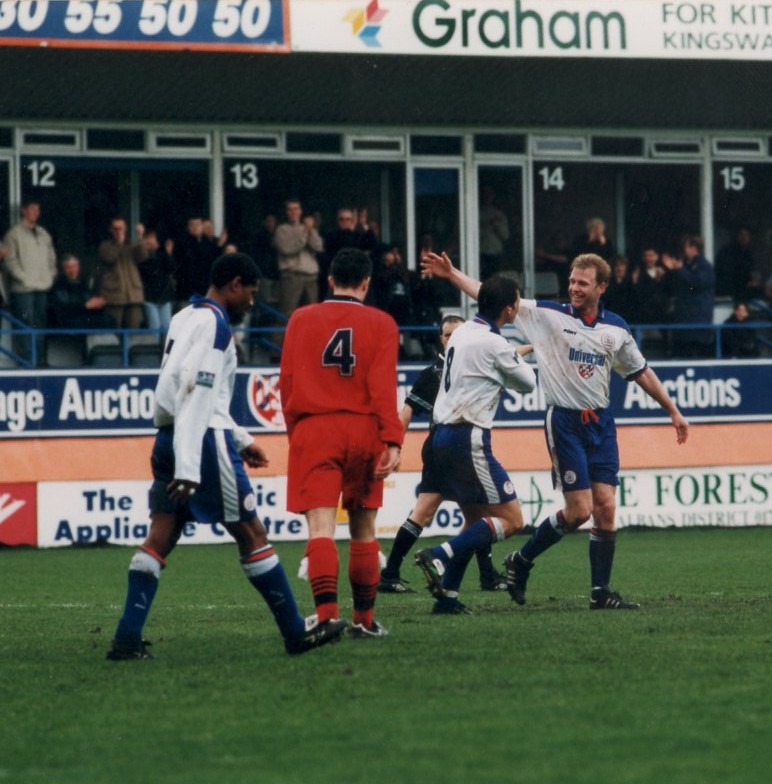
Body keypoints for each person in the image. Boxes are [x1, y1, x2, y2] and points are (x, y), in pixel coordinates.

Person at [106, 252, 346, 660]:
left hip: (169, 436)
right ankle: (295, 632)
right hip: (199, 441)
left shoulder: (185, 317)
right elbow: (196, 392)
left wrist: (239, 438)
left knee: (161, 534)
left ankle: (126, 638)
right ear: (234, 284)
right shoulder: (216, 325)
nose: (251, 302)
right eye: (250, 293)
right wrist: (190, 464)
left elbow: (186, 389)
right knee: (252, 533)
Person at [421, 251, 689, 611]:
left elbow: (640, 371)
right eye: (572, 281)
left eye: (583, 283)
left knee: (606, 508)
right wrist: (453, 274)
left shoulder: (617, 329)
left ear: (602, 287)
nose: (574, 288)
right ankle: (521, 559)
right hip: (564, 422)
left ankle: (600, 592)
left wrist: (673, 410)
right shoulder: (548, 315)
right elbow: (493, 295)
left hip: (601, 424)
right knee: (578, 512)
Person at [279, 248, 404, 638]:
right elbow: (383, 389)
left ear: (330, 280)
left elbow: (287, 384)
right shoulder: (383, 323)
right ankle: (364, 621)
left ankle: (326, 617)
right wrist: (392, 440)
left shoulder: (300, 319)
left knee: (320, 528)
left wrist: (297, 435)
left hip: (315, 430)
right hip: (364, 431)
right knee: (364, 530)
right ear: (366, 283)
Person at [410, 276, 537, 614]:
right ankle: (439, 555)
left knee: (474, 520)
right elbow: (527, 383)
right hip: (467, 437)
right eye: (517, 302)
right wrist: (513, 363)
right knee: (513, 520)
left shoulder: (463, 331)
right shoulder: (495, 343)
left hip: (440, 435)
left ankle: (447, 599)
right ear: (508, 309)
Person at [378, 315, 513, 595]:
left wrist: (534, 346)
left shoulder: (469, 362)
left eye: (457, 333)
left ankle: (390, 573)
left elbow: (509, 356)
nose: (452, 338)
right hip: (449, 447)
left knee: (429, 512)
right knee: (477, 511)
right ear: (441, 339)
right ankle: (484, 575)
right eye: (447, 334)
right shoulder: (435, 372)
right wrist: (395, 447)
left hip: (443, 447)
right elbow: (407, 411)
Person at [1, 198, 56, 364]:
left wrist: (50, 276)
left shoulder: (43, 234)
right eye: (32, 209)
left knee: (40, 325)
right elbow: (10, 261)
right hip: (23, 289)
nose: (35, 213)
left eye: (37, 209)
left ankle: (40, 362)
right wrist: (24, 278)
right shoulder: (13, 234)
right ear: (24, 210)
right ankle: (27, 363)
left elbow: (51, 258)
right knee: (25, 325)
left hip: (42, 287)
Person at [661, 235, 716, 358]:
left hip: (698, 322)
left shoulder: (705, 266)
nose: (683, 250)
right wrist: (671, 270)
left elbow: (696, 284)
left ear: (694, 248)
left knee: (697, 355)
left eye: (686, 247)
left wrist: (680, 270)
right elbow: (676, 286)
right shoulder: (685, 265)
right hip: (683, 322)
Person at [273, 198, 323, 316]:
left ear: (300, 211)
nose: (293, 212)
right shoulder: (281, 230)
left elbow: (318, 247)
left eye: (296, 209)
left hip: (310, 276)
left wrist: (310, 230)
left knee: (311, 314)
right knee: (287, 314)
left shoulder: (308, 228)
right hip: (292, 277)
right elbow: (288, 249)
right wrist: (305, 232)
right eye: (290, 209)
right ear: (286, 212)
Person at [97, 217, 147, 330]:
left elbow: (143, 256)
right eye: (115, 229)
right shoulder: (105, 246)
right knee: (114, 330)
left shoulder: (131, 245)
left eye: (121, 228)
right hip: (114, 296)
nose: (118, 231)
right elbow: (110, 258)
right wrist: (119, 243)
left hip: (133, 295)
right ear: (111, 230)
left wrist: (141, 237)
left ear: (125, 229)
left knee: (133, 331)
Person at [48, 253, 117, 332]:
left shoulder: (81, 284)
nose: (72, 271)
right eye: (68, 267)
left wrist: (98, 303)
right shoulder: (58, 287)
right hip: (68, 323)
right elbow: (63, 311)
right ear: (63, 270)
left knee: (110, 320)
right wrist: (85, 305)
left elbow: (89, 300)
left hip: (83, 318)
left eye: (74, 266)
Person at [320, 207, 375, 300]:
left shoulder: (357, 235)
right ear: (337, 221)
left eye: (348, 219)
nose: (344, 222)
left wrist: (364, 225)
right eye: (341, 219)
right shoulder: (331, 236)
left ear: (352, 221)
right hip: (337, 275)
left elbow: (371, 245)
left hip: (355, 275)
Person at [173, 215, 220, 305]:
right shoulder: (182, 244)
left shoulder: (209, 244)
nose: (195, 227)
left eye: (197, 225)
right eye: (192, 225)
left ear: (202, 226)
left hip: (204, 290)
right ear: (188, 227)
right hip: (186, 291)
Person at [137, 230, 177, 337]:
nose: (150, 241)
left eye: (152, 238)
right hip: (149, 297)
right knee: (154, 326)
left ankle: (165, 348)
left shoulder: (163, 254)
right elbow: (144, 270)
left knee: (166, 326)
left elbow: (172, 268)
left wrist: (168, 253)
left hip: (164, 297)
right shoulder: (142, 255)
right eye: (148, 239)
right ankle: (154, 347)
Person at [715, 225, 759, 300]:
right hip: (729, 290)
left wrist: (753, 280)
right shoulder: (728, 252)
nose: (744, 237)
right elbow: (728, 274)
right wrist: (746, 282)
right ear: (737, 236)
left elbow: (752, 272)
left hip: (742, 290)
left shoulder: (748, 254)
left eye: (747, 235)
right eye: (741, 234)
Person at [478, 184, 510, 279]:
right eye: (485, 194)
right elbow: (474, 235)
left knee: (496, 279)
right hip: (482, 253)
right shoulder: (477, 213)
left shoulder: (499, 214)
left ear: (493, 196)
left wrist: (497, 227)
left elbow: (505, 236)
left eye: (490, 194)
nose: (487, 196)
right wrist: (489, 225)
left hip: (496, 254)